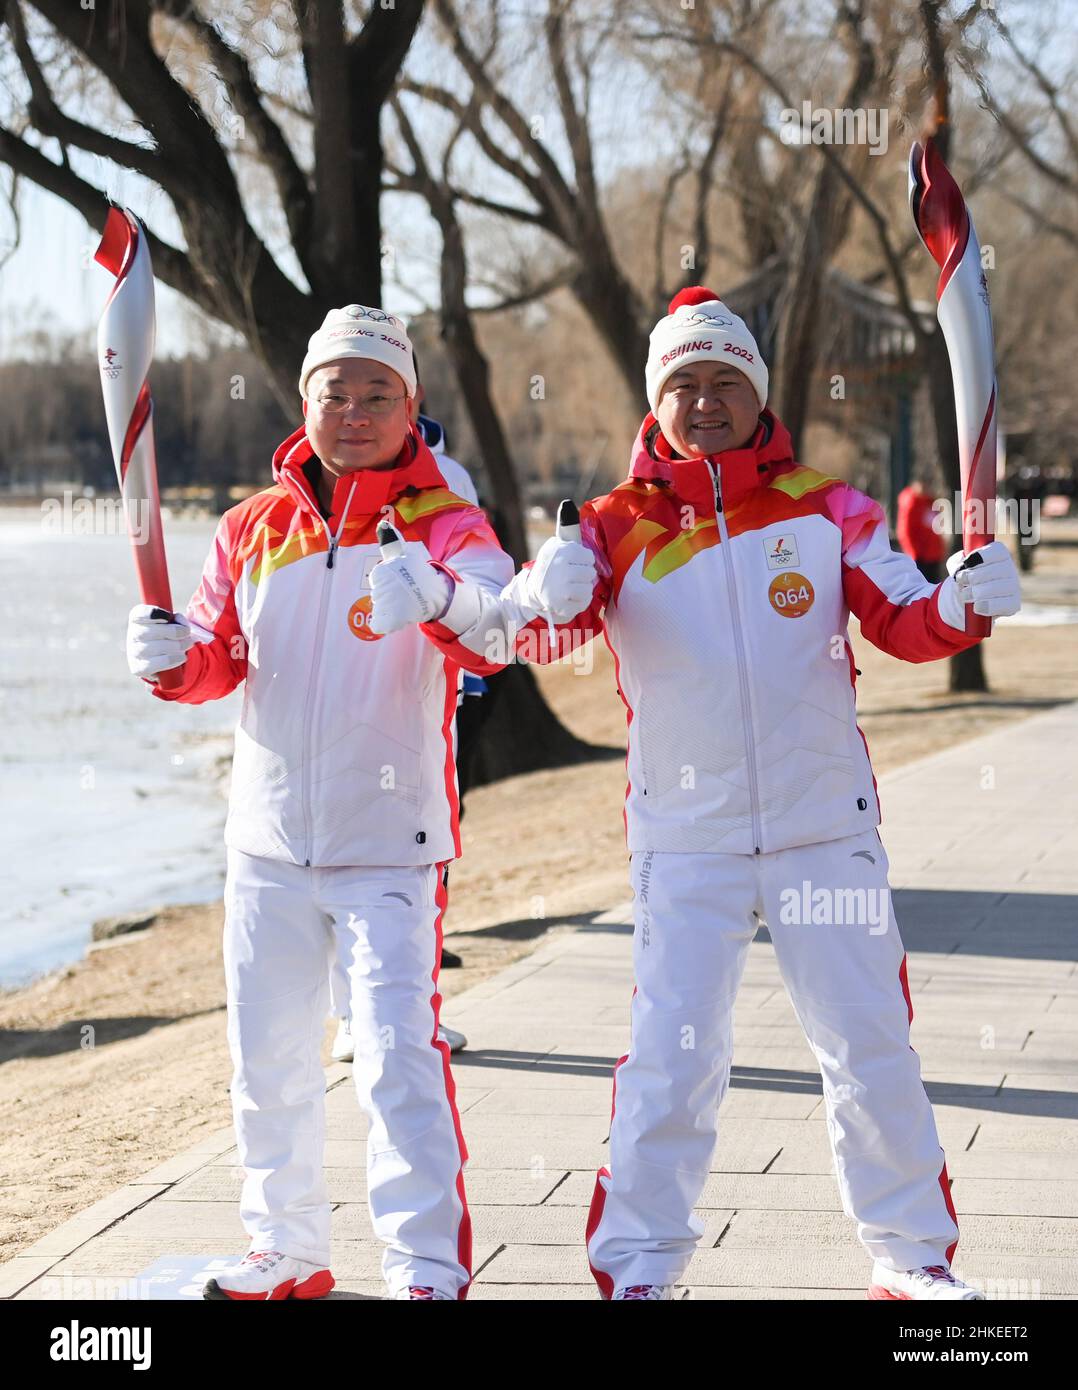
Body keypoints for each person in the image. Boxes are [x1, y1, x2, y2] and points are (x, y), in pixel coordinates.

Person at [441, 286, 1022, 1301]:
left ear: (756, 394)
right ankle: (640, 1269)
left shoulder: (827, 506)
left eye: (725, 382)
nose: (705, 402)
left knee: (869, 1047)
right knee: (673, 1062)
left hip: (820, 830)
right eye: (684, 384)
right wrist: (542, 591)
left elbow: (905, 620)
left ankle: (910, 1258)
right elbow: (520, 641)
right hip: (688, 840)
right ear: (656, 402)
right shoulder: (608, 527)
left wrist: (963, 603)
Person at [125, 305, 514, 1300]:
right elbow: (219, 658)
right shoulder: (251, 527)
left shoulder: (447, 520)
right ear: (305, 402)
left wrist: (435, 596)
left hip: (390, 843)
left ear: (409, 406)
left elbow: (501, 634)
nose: (353, 410)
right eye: (333, 392)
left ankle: (426, 1268)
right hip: (266, 839)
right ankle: (284, 1248)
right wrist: (174, 663)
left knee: (395, 1063)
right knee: (268, 1063)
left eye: (375, 393)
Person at [328, 372, 475, 1063]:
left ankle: (399, 1009)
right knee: (335, 848)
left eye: (382, 396)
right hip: (344, 694)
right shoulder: (329, 475)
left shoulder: (448, 478)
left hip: (423, 688)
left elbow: (476, 589)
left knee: (421, 849)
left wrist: (468, 672)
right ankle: (355, 1016)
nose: (364, 413)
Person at [896, 478, 946, 583]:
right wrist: (914, 553)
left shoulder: (929, 502)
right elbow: (905, 532)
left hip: (933, 554)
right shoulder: (912, 503)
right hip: (920, 557)